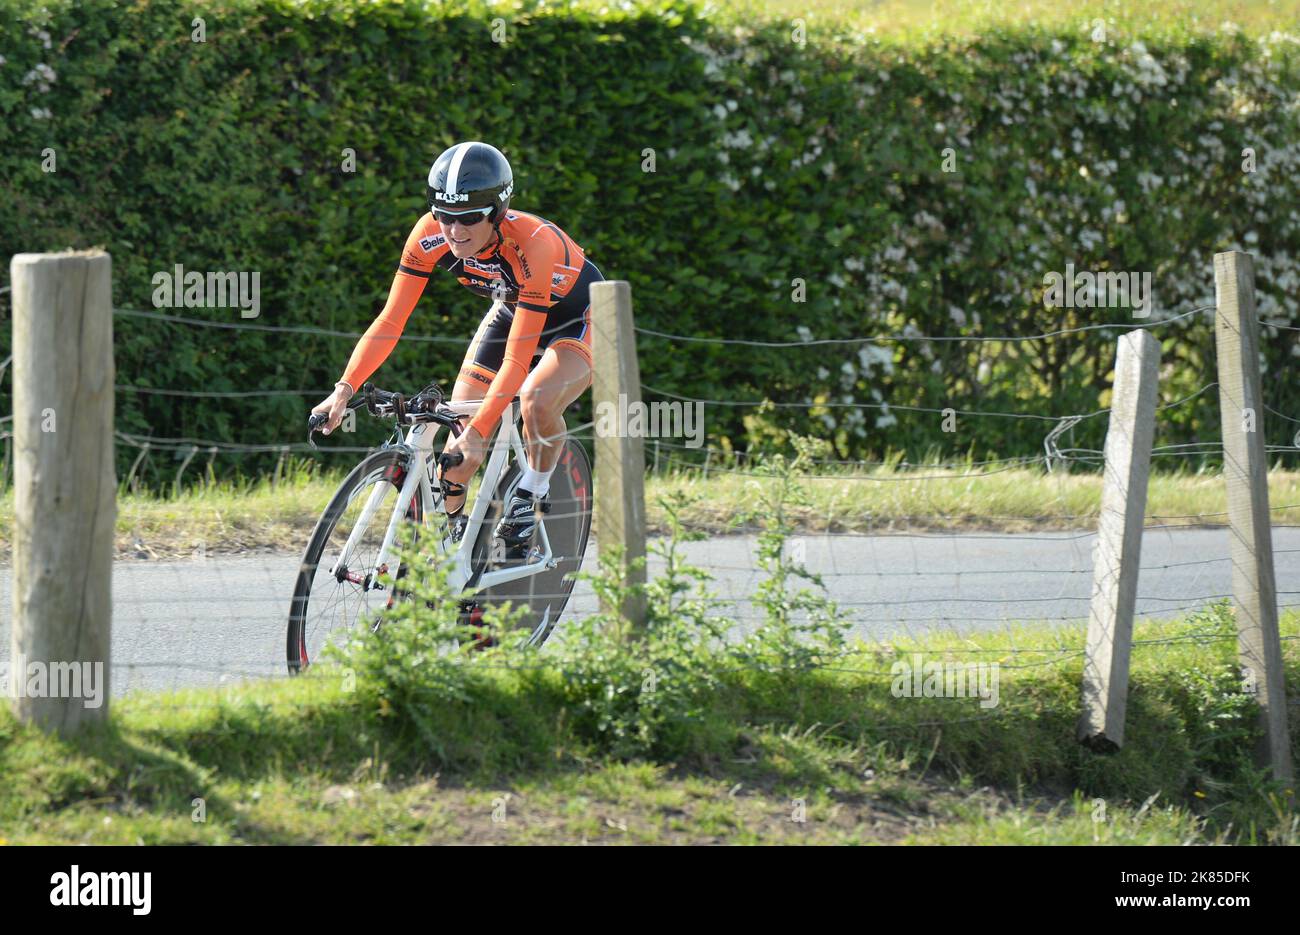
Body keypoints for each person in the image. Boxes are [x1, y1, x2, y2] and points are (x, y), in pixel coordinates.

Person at [311, 140, 602, 554]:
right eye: (444, 215)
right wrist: (344, 390)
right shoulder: (429, 234)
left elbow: (519, 358)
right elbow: (391, 320)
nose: (454, 230)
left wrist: (481, 430)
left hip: (578, 318)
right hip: (512, 312)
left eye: (468, 218)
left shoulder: (532, 244)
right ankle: (450, 560)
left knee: (536, 401)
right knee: (456, 457)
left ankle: (531, 492)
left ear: (498, 213)